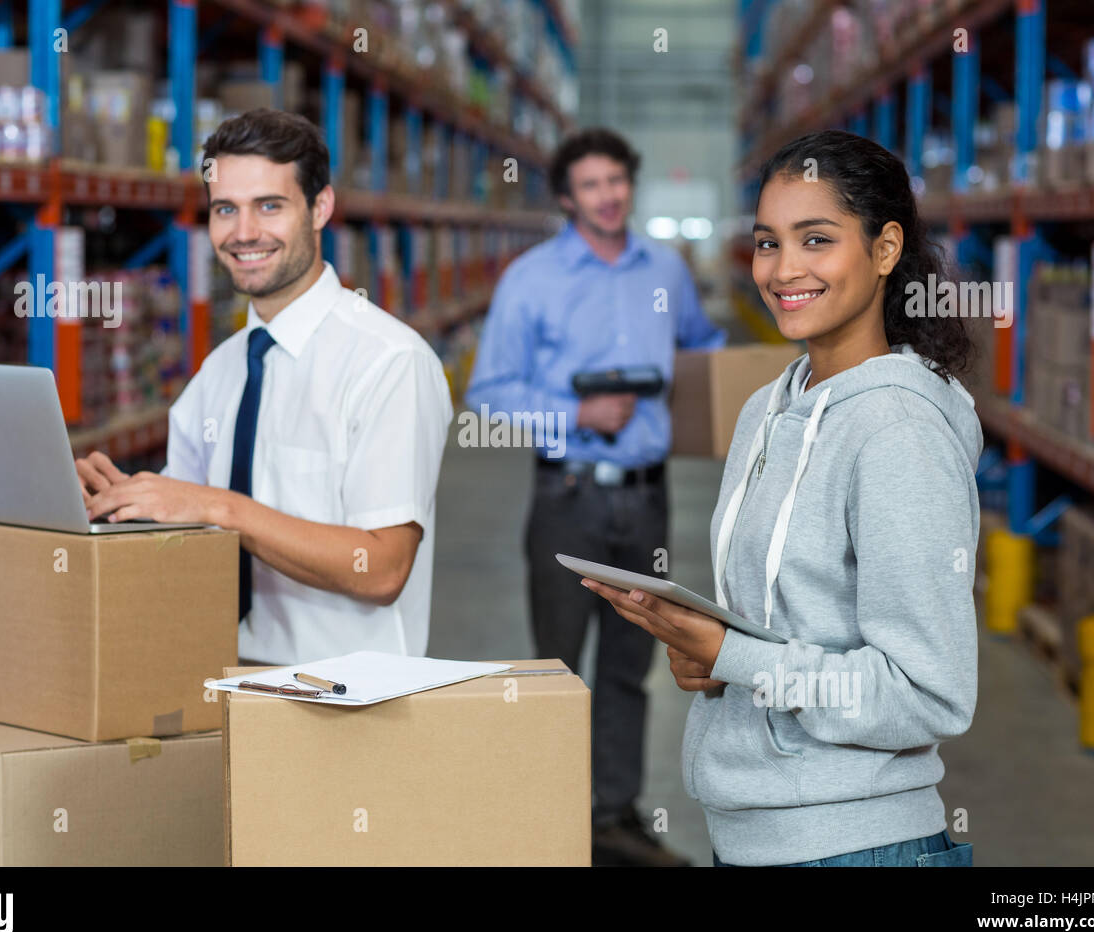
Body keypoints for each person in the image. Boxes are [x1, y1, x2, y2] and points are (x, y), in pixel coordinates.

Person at [581, 129, 979, 867]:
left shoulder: (898, 430)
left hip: (856, 847)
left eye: (816, 240)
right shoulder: (769, 406)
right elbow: (791, 633)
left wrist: (738, 657)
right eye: (768, 243)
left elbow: (929, 693)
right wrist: (716, 657)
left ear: (886, 249)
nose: (784, 270)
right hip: (753, 838)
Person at [77, 109, 453, 665]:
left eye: (269, 207)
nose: (244, 233)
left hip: (348, 700)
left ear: (320, 208)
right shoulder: (221, 372)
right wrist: (121, 507)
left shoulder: (389, 363)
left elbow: (382, 569)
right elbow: (191, 538)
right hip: (222, 677)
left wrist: (222, 508)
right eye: (225, 209)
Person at [464, 127, 725, 866]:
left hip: (647, 499)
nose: (608, 197)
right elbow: (489, 397)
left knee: (629, 667)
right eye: (592, 185)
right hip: (567, 495)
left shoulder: (666, 269)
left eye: (617, 181)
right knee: (557, 666)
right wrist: (574, 414)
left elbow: (703, 348)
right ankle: (550, 819)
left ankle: (614, 815)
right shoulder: (531, 278)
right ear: (567, 197)